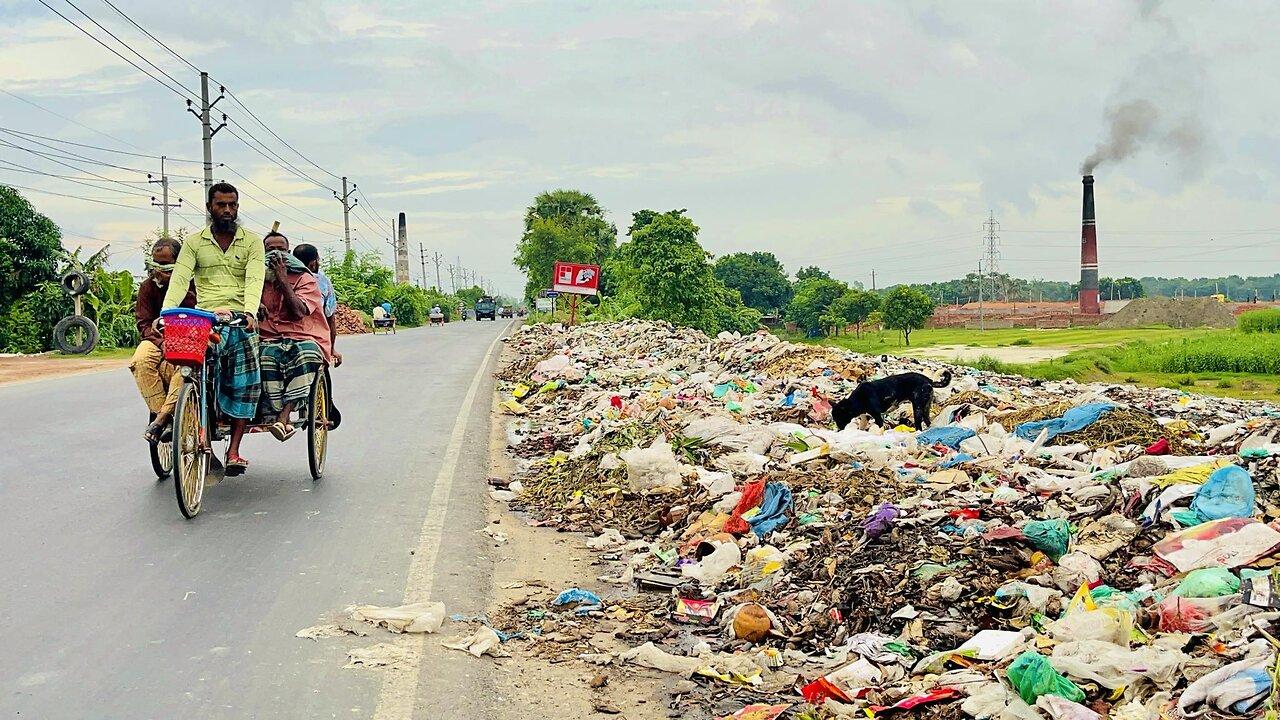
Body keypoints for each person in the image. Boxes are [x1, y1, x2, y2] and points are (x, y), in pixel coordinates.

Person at [161, 182, 265, 475]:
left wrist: (249, 312)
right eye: (221, 205)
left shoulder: (252, 241)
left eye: (232, 204)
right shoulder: (194, 242)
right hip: (205, 315)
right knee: (193, 365)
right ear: (209, 207)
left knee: (245, 379)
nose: (228, 210)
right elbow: (180, 279)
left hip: (238, 316)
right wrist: (165, 313)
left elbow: (254, 279)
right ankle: (190, 414)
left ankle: (233, 451)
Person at [258, 232, 331, 441]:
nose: (275, 254)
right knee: (265, 358)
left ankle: (284, 415)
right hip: (269, 337)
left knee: (304, 356)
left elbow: (298, 311)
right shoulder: (256, 278)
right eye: (270, 250)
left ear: (289, 253)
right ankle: (277, 414)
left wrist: (282, 278)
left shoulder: (304, 278)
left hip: (305, 336)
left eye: (280, 250)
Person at [133, 237, 196, 442]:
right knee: (140, 361)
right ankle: (166, 418)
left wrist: (174, 284)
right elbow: (143, 323)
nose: (158, 269)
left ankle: (160, 420)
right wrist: (161, 342)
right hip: (157, 338)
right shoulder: (147, 287)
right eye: (156, 263)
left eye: (164, 264)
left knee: (183, 368)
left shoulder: (194, 283)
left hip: (190, 337)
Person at [293, 243, 341, 367]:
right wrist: (331, 349)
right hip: (315, 339)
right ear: (313, 263)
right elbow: (330, 318)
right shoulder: (322, 281)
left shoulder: (281, 278)